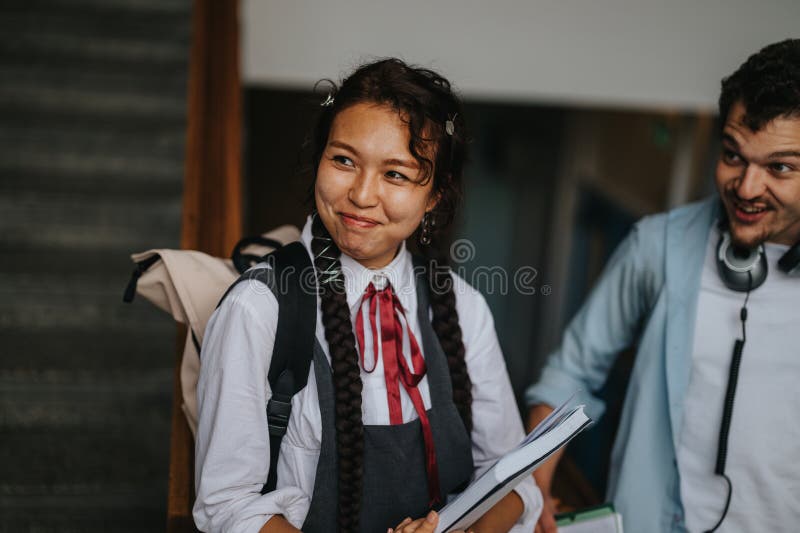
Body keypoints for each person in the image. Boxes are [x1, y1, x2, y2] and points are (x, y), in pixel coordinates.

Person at [193, 58, 542, 533]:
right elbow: (228, 506)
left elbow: (513, 481)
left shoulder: (462, 309)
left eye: (395, 174)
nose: (361, 194)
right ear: (319, 160)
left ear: (434, 195)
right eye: (343, 160)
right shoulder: (259, 309)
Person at [525, 39, 800, 533]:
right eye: (734, 156)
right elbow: (571, 373)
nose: (747, 187)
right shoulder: (659, 245)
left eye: (779, 167)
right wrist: (532, 486)